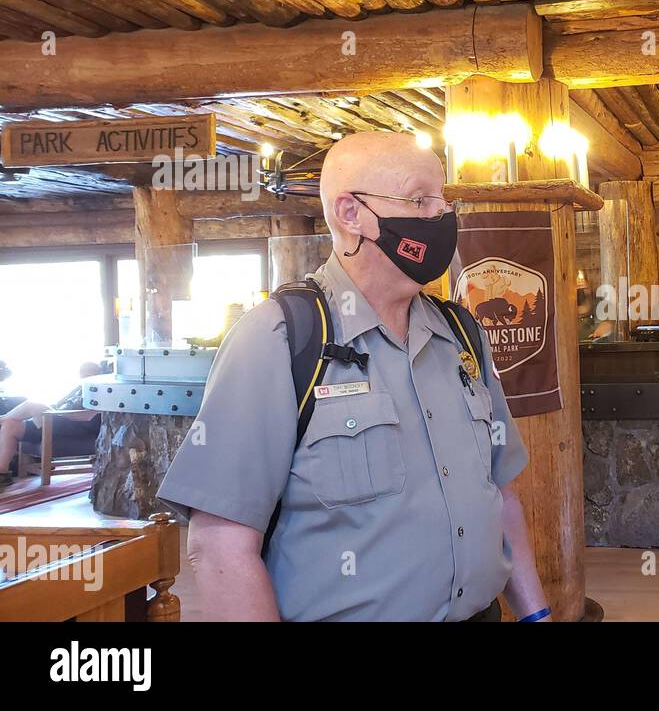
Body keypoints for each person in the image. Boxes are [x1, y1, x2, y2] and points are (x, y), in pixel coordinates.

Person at [157, 131, 550, 621]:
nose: (443, 217)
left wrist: (537, 615)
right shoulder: (279, 338)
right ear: (351, 213)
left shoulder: (461, 333)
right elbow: (220, 546)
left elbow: (500, 494)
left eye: (444, 201)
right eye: (420, 200)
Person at [0, 361, 102, 485]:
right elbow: (59, 404)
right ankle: (2, 474)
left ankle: (2, 419)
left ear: (98, 374)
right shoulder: (78, 389)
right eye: (82, 373)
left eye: (88, 373)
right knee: (10, 425)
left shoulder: (100, 392)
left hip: (73, 424)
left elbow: (90, 416)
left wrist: (61, 414)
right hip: (54, 420)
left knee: (32, 405)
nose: (84, 377)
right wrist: (53, 411)